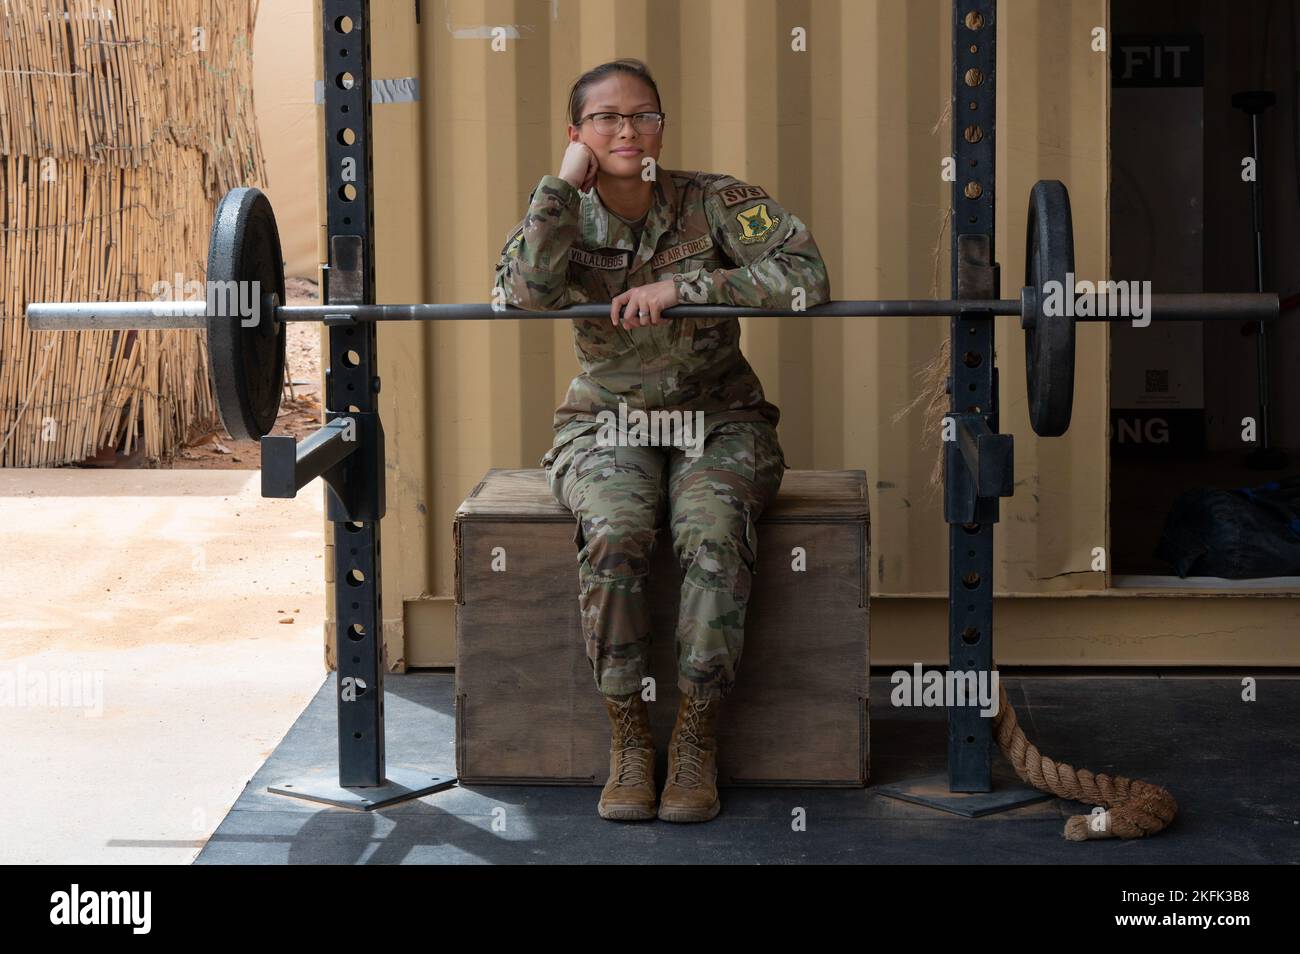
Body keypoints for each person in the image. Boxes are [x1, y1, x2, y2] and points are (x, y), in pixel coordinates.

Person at [492, 58, 830, 823]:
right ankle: (628, 739)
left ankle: (694, 739)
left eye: (643, 115)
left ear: (661, 127)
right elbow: (522, 294)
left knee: (712, 533)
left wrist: (687, 287)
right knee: (614, 532)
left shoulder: (716, 202)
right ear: (577, 133)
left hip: (720, 419)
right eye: (606, 118)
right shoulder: (562, 212)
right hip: (609, 423)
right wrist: (560, 186)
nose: (627, 130)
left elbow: (807, 273)